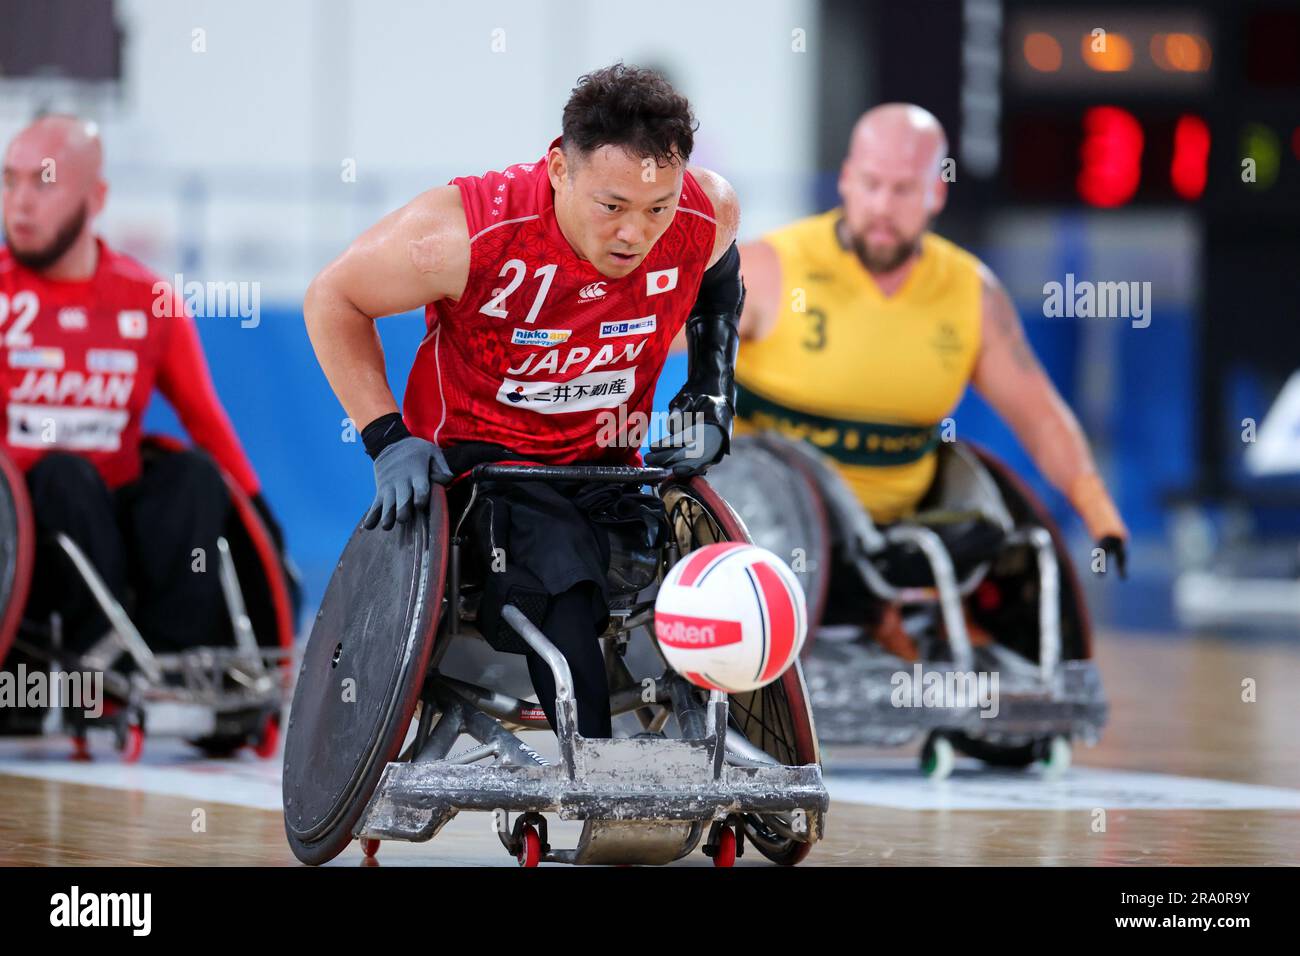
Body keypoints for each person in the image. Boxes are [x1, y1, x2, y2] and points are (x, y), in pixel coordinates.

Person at [304, 64, 742, 738]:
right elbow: (333, 297)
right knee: (559, 570)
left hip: (608, 460)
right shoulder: (462, 233)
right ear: (559, 168)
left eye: (656, 207)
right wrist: (386, 436)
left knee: (707, 570)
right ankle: (598, 769)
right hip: (487, 470)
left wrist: (711, 389)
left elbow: (719, 278)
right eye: (613, 206)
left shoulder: (705, 211)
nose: (635, 234)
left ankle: (717, 736)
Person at [732, 103, 1127, 645]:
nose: (882, 207)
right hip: (768, 531)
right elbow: (653, 334)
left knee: (995, 535)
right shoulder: (766, 268)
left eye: (903, 190)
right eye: (871, 184)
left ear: (936, 193)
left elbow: (1039, 415)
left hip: (900, 536)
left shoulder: (971, 293)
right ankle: (881, 613)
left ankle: (909, 616)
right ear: (846, 179)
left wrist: (1098, 509)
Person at [0, 114, 285, 660]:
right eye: (10, 180)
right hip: (25, 539)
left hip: (118, 526)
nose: (20, 203)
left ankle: (180, 661)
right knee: (66, 476)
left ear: (96, 196)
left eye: (44, 181)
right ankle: (94, 666)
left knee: (195, 477)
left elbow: (205, 420)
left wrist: (259, 517)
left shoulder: (149, 300)